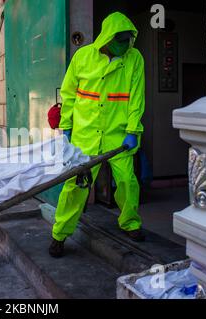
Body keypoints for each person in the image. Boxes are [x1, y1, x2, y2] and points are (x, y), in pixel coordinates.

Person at [49, 12, 146, 258]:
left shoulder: (134, 59)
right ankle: (59, 234)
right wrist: (67, 125)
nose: (124, 44)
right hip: (85, 135)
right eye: (120, 39)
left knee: (126, 181)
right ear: (107, 37)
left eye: (127, 39)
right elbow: (69, 94)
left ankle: (130, 223)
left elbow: (136, 99)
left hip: (118, 134)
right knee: (75, 186)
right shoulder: (83, 57)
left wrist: (133, 131)